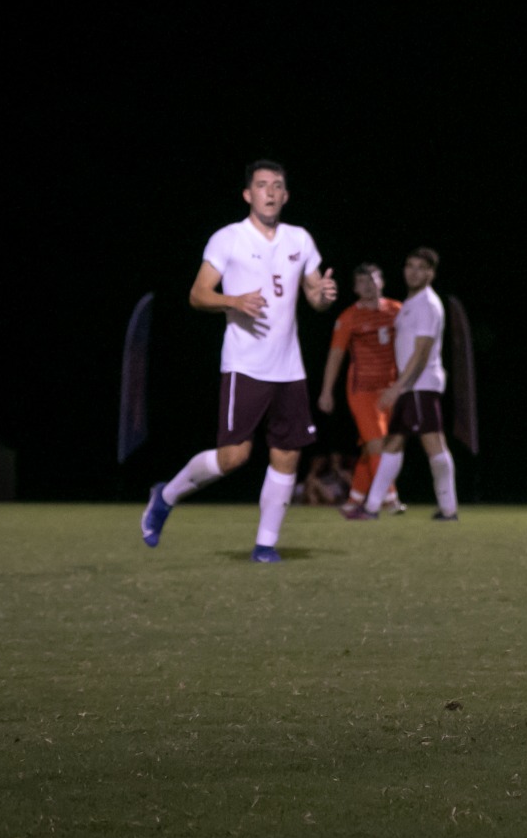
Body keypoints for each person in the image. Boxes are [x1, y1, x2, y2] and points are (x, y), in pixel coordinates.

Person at [139, 159, 337, 562]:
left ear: (285, 195)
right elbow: (197, 294)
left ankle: (265, 544)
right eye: (261, 185)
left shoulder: (300, 239)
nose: (269, 192)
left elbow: (314, 296)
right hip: (245, 364)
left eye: (277, 186)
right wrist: (234, 300)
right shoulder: (227, 239)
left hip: (289, 368)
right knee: (234, 457)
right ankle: (167, 494)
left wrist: (324, 295)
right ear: (248, 194)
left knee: (287, 454)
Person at [359, 249, 459, 521]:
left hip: (420, 386)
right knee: (394, 443)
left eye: (421, 268)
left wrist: (397, 386)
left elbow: (421, 351)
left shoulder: (427, 304)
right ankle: (371, 507)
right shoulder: (411, 303)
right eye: (410, 266)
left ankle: (449, 509)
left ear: (431, 273)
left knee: (433, 445)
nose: (413, 272)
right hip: (412, 387)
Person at [318, 264, 405, 518]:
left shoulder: (397, 310)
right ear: (355, 287)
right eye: (361, 281)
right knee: (379, 446)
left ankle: (353, 500)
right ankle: (390, 499)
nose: (367, 285)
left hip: (391, 390)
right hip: (362, 390)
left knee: (372, 448)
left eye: (372, 280)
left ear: (382, 282)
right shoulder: (348, 317)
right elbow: (335, 356)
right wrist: (326, 392)